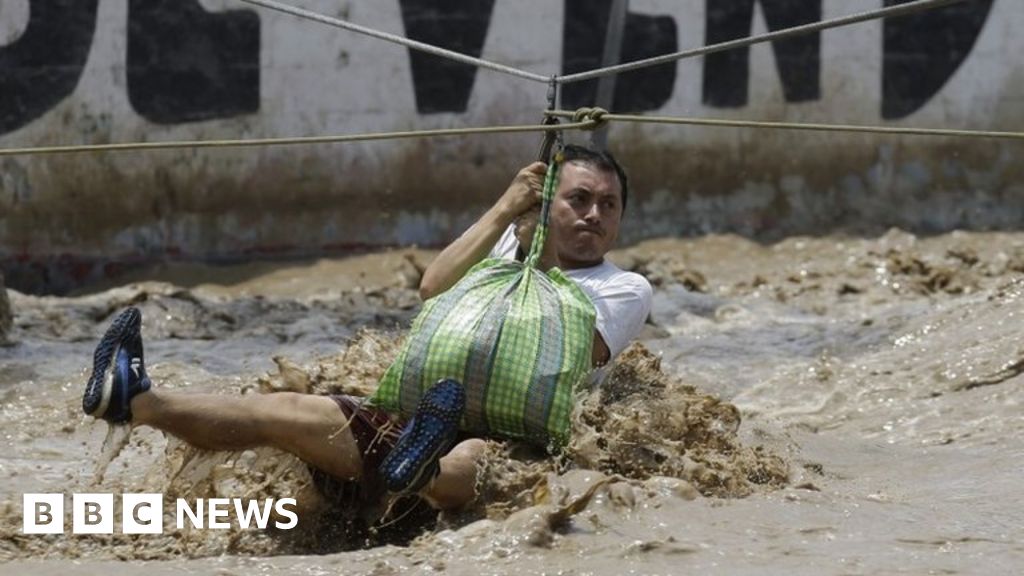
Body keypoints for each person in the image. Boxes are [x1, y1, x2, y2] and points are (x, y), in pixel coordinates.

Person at [82, 145, 652, 512]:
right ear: (550, 202)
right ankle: (137, 400)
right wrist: (506, 209)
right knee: (290, 411)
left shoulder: (624, 288)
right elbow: (433, 287)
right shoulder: (503, 246)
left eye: (609, 205)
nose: (594, 215)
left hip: (514, 436)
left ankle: (423, 473)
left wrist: (542, 256)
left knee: (480, 453)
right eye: (578, 199)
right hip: (415, 418)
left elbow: (581, 352)